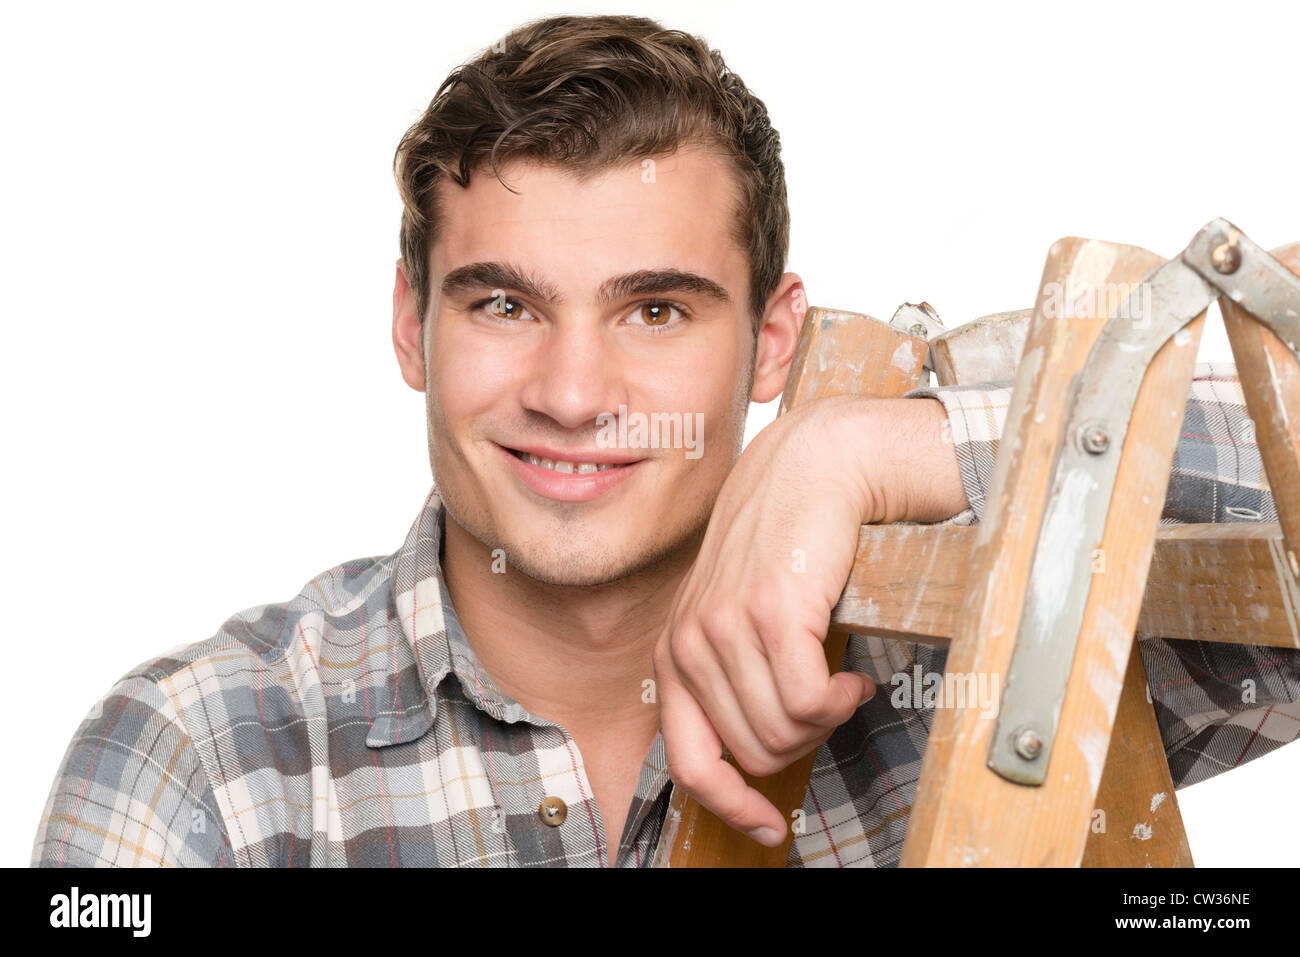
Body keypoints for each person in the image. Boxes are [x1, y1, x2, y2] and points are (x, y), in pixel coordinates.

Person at [32, 13, 1297, 868]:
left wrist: (875, 452)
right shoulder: (203, 757)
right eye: (503, 303)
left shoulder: (984, 633)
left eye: (654, 309)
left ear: (769, 342)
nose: (574, 393)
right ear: (411, 324)